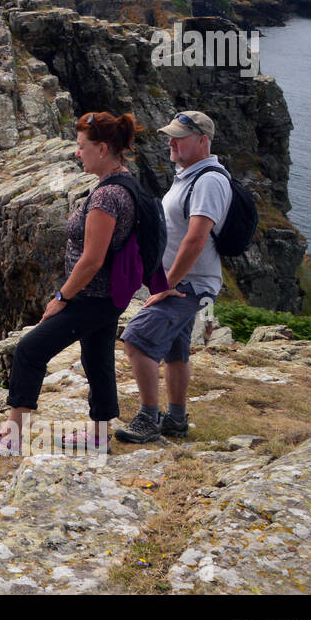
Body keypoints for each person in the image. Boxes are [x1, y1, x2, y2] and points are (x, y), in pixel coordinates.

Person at [0, 112, 143, 457]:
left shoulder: (107, 197)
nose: (77, 154)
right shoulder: (125, 181)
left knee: (29, 350)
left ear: (103, 148)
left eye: (82, 147)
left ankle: (11, 439)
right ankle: (99, 435)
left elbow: (92, 259)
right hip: (110, 296)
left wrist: (63, 297)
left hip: (91, 296)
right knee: (98, 359)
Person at [116, 110, 232, 443]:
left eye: (179, 137)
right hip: (186, 281)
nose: (171, 142)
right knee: (176, 351)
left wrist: (166, 286)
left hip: (189, 285)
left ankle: (149, 419)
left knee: (137, 338)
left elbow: (196, 237)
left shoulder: (209, 180)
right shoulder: (190, 174)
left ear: (202, 141)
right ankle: (176, 421)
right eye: (171, 136)